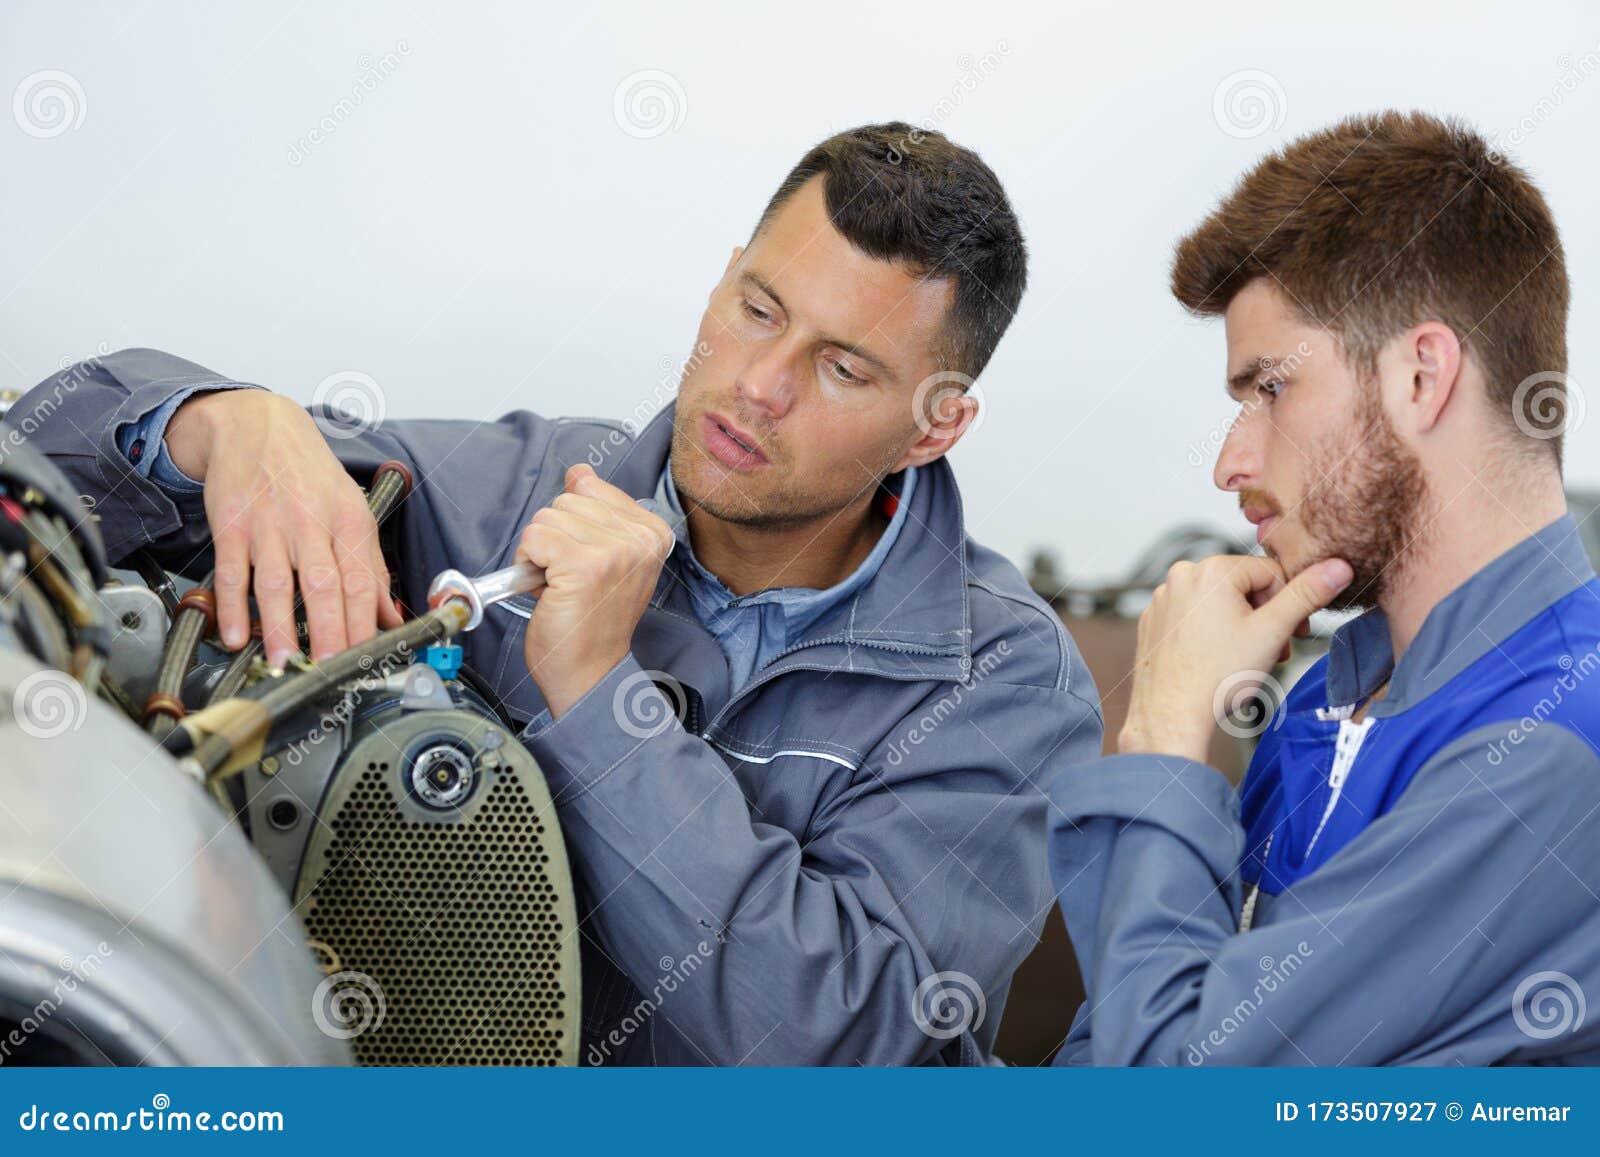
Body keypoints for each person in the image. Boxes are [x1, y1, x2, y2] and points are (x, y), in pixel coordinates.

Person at [15, 123, 1102, 1065]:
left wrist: (597, 695)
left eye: (843, 368)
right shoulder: (493, 496)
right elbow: (31, 466)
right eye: (759, 308)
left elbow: (846, 1047)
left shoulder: (1000, 681)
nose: (758, 386)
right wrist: (213, 418)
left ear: (937, 420)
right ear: (723, 275)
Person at [1049, 110, 1600, 1065]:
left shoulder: (1552, 752)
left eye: (1269, 389)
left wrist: (1168, 735)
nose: (1230, 464)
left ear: (1422, 376)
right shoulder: (1323, 698)